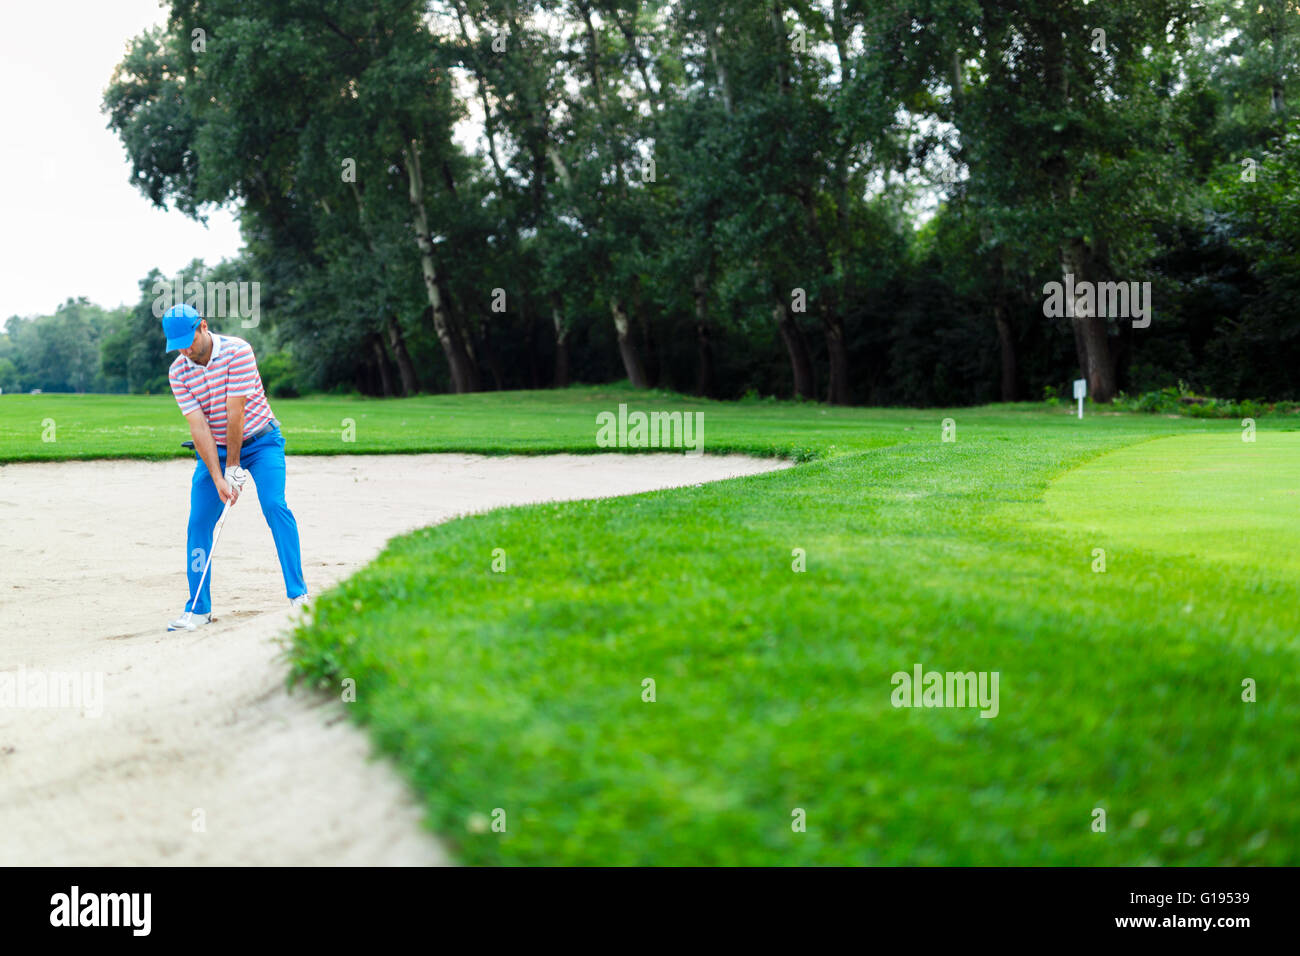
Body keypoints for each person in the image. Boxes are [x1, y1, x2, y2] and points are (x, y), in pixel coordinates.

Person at [161, 303, 308, 630]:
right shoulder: (178, 371)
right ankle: (198, 609)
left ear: (203, 326)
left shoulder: (237, 351)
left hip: (262, 441)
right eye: (179, 346)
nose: (186, 350)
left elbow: (235, 413)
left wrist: (234, 466)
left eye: (190, 341)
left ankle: (298, 594)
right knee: (198, 522)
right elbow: (198, 427)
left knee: (274, 505)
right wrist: (219, 476)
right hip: (216, 449)